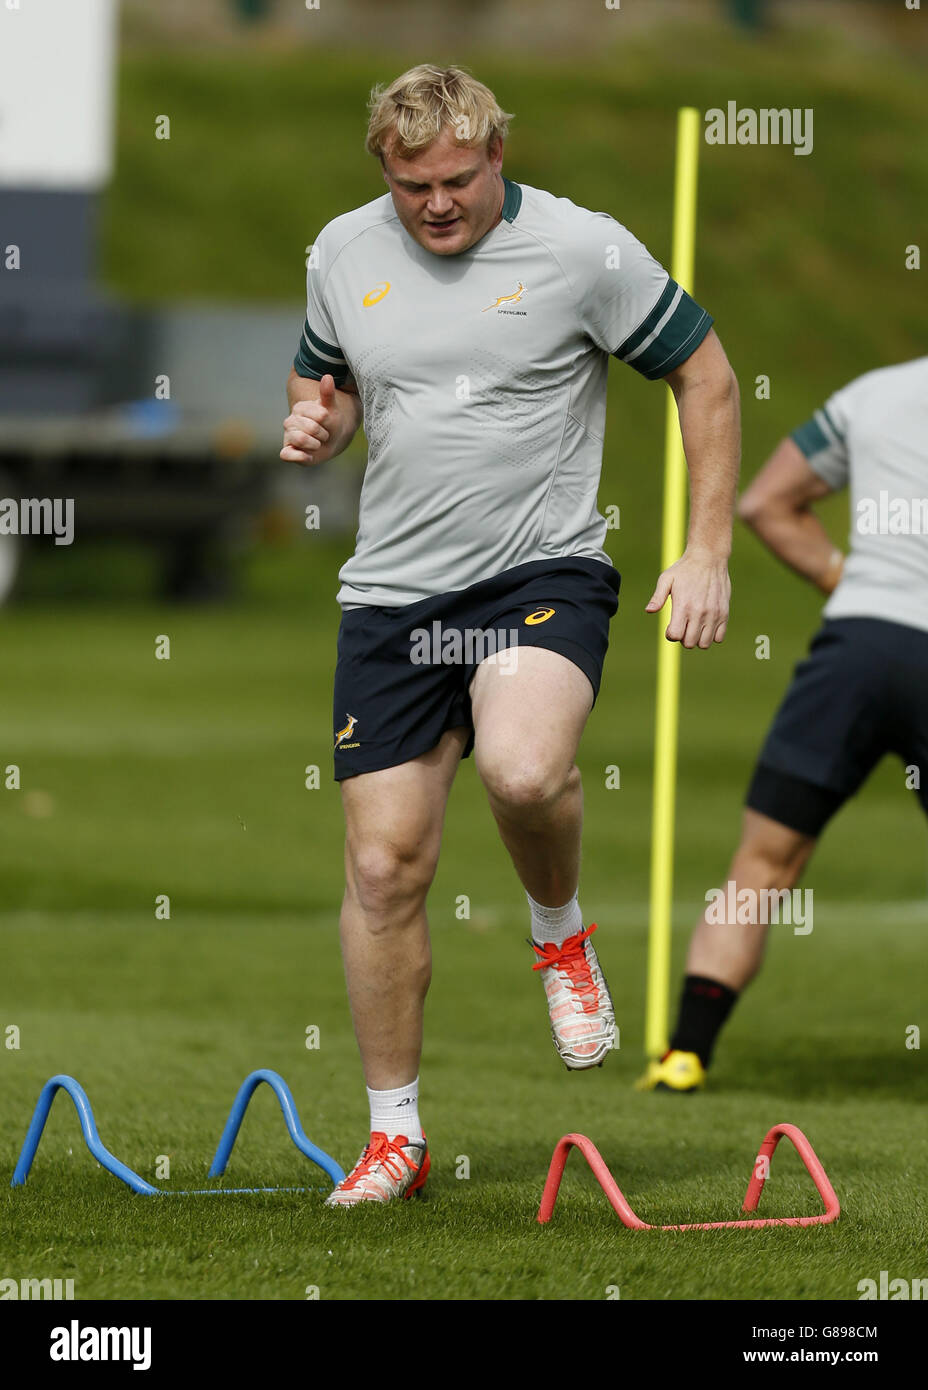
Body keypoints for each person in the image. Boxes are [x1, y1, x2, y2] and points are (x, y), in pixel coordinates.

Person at [281, 64, 740, 1201]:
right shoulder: (342, 251)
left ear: (496, 156)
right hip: (391, 597)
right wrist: (315, 423)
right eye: (409, 185)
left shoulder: (583, 251)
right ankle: (396, 1135)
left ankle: (559, 931)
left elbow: (708, 377)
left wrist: (707, 548)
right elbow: (325, 381)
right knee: (385, 866)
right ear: (381, 170)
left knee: (527, 770)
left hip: (538, 574)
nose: (434, 205)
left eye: (453, 180)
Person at [639, 356, 928, 1093]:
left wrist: (849, 580)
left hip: (855, 650)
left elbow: (766, 502)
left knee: (763, 864)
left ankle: (685, 1054)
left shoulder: (875, 392)